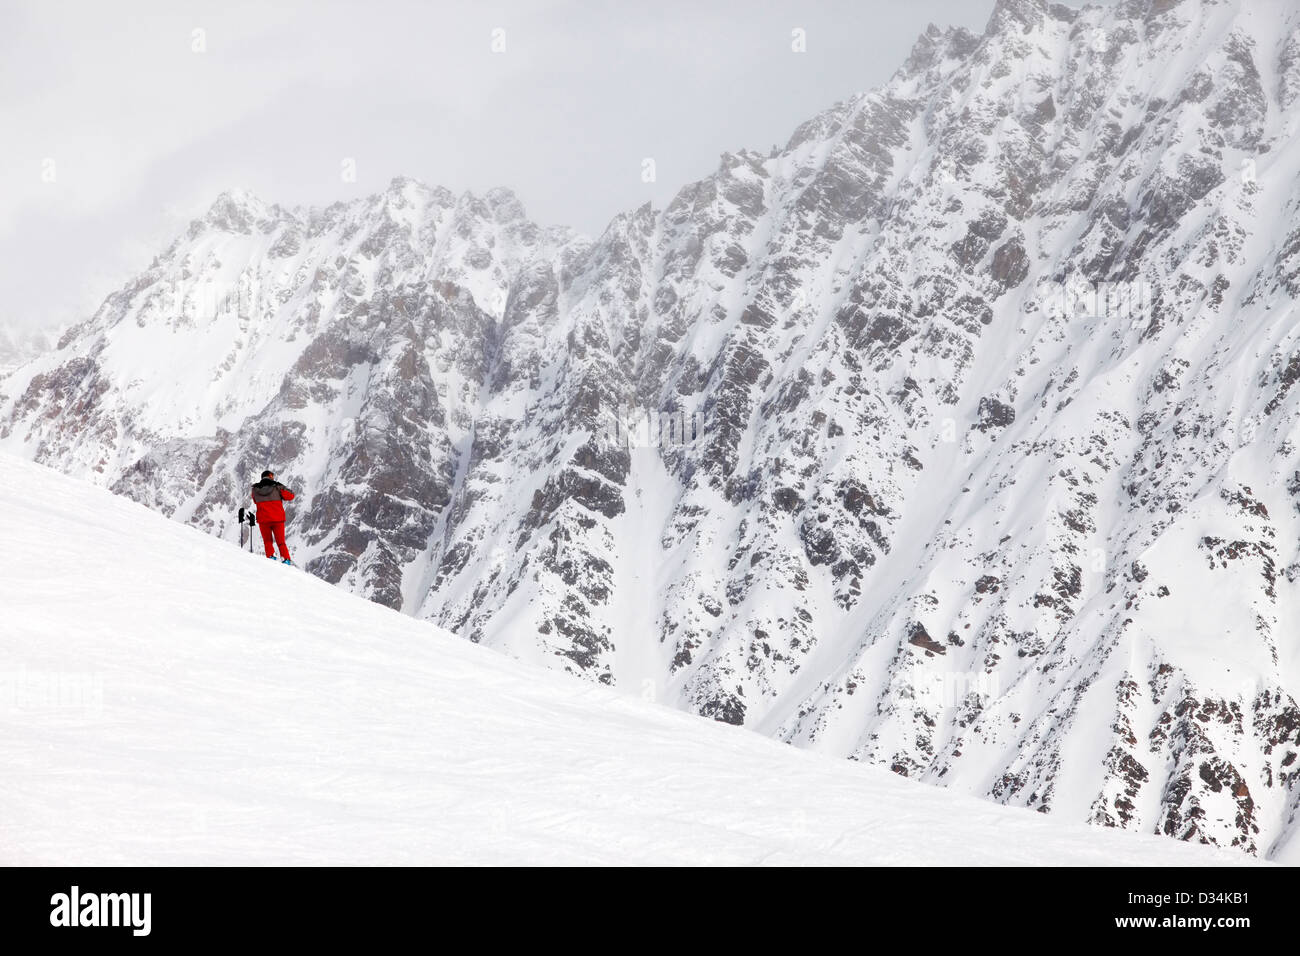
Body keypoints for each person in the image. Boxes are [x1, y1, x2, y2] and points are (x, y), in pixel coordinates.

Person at [251, 470, 296, 564]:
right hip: (277, 519)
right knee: (281, 542)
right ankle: (286, 559)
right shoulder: (277, 486)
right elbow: (290, 496)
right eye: (273, 476)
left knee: (267, 541)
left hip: (263, 519)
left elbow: (255, 500)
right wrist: (282, 487)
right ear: (270, 476)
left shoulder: (255, 489)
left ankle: (271, 558)